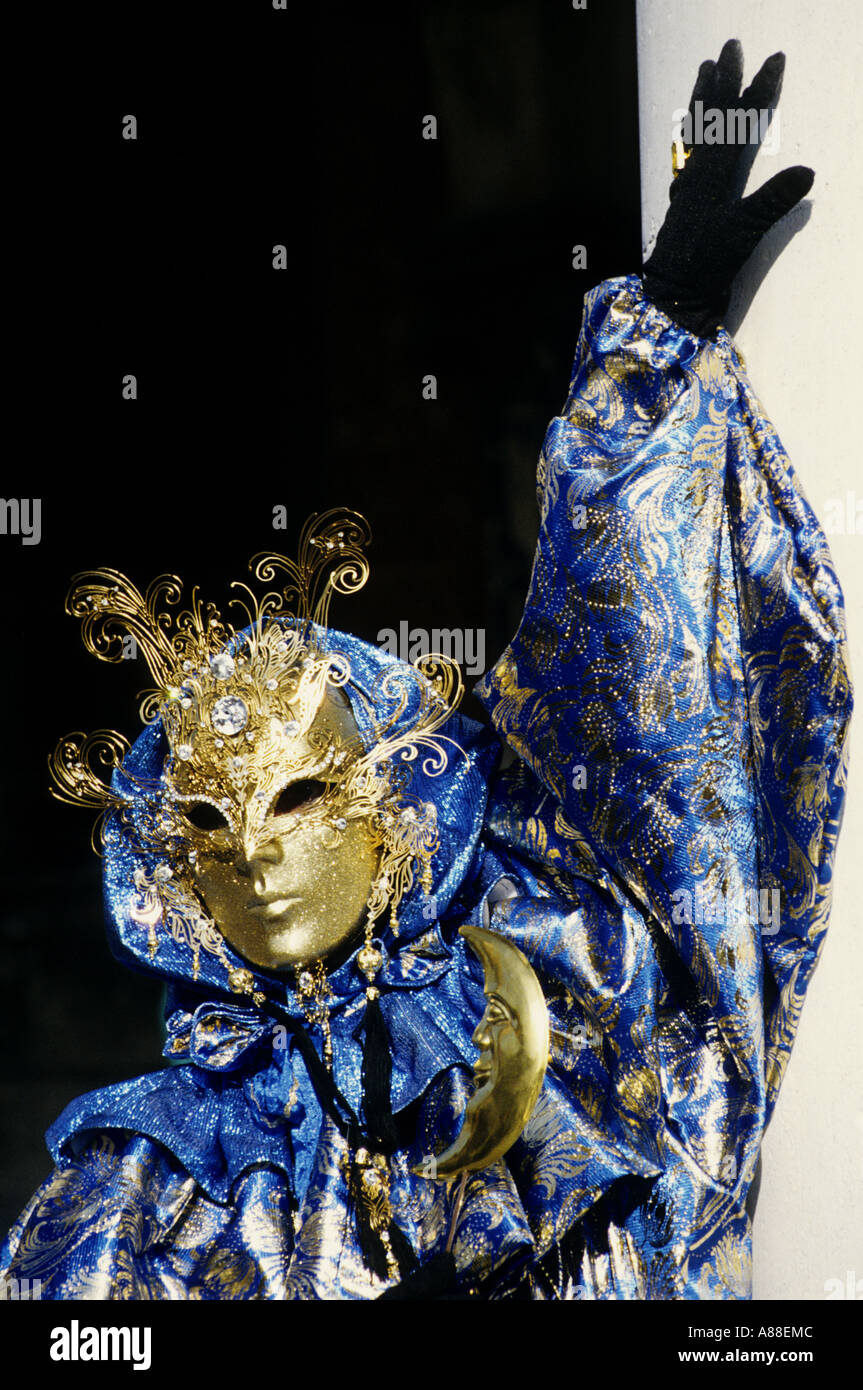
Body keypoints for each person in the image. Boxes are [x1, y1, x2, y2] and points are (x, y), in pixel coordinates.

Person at [1, 41, 851, 1300]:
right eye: (205, 824)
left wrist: (659, 322)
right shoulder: (145, 1182)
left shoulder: (566, 973)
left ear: (394, 798)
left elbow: (625, 689)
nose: (255, 854)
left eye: (295, 795)